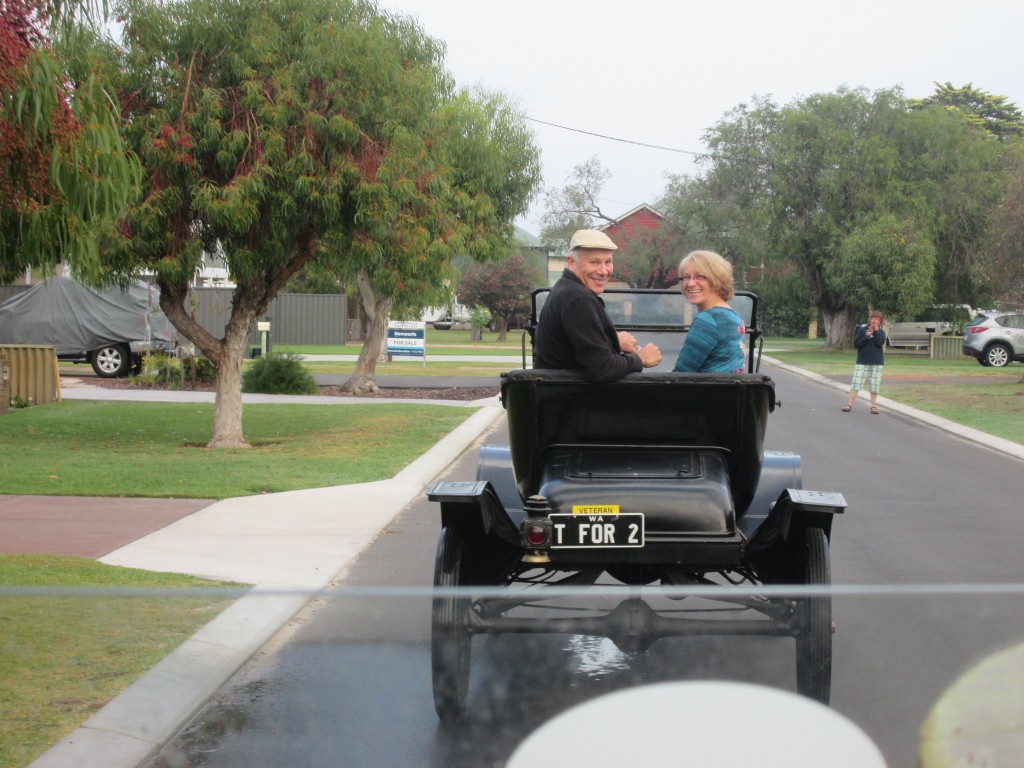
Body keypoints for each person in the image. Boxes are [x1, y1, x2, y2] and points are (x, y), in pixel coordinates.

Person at [533, 229, 662, 382]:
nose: (603, 271)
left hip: (555, 389)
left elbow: (574, 347)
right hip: (567, 394)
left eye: (608, 262)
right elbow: (601, 368)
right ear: (571, 262)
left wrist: (613, 341)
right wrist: (640, 358)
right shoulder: (578, 298)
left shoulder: (565, 288)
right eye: (594, 262)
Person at [672, 250, 746, 373]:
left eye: (700, 276)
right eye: (686, 277)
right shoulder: (734, 317)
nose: (690, 283)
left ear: (718, 279)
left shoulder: (707, 320)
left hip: (708, 386)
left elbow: (681, 374)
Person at [842, 310, 886, 414]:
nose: (875, 321)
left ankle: (873, 406)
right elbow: (856, 344)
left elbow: (879, 342)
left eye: (877, 319)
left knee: (874, 385)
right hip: (862, 360)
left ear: (880, 322)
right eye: (873, 318)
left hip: (877, 361)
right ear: (870, 319)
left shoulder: (881, 332)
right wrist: (866, 337)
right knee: (856, 383)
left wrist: (876, 331)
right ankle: (849, 404)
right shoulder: (862, 329)